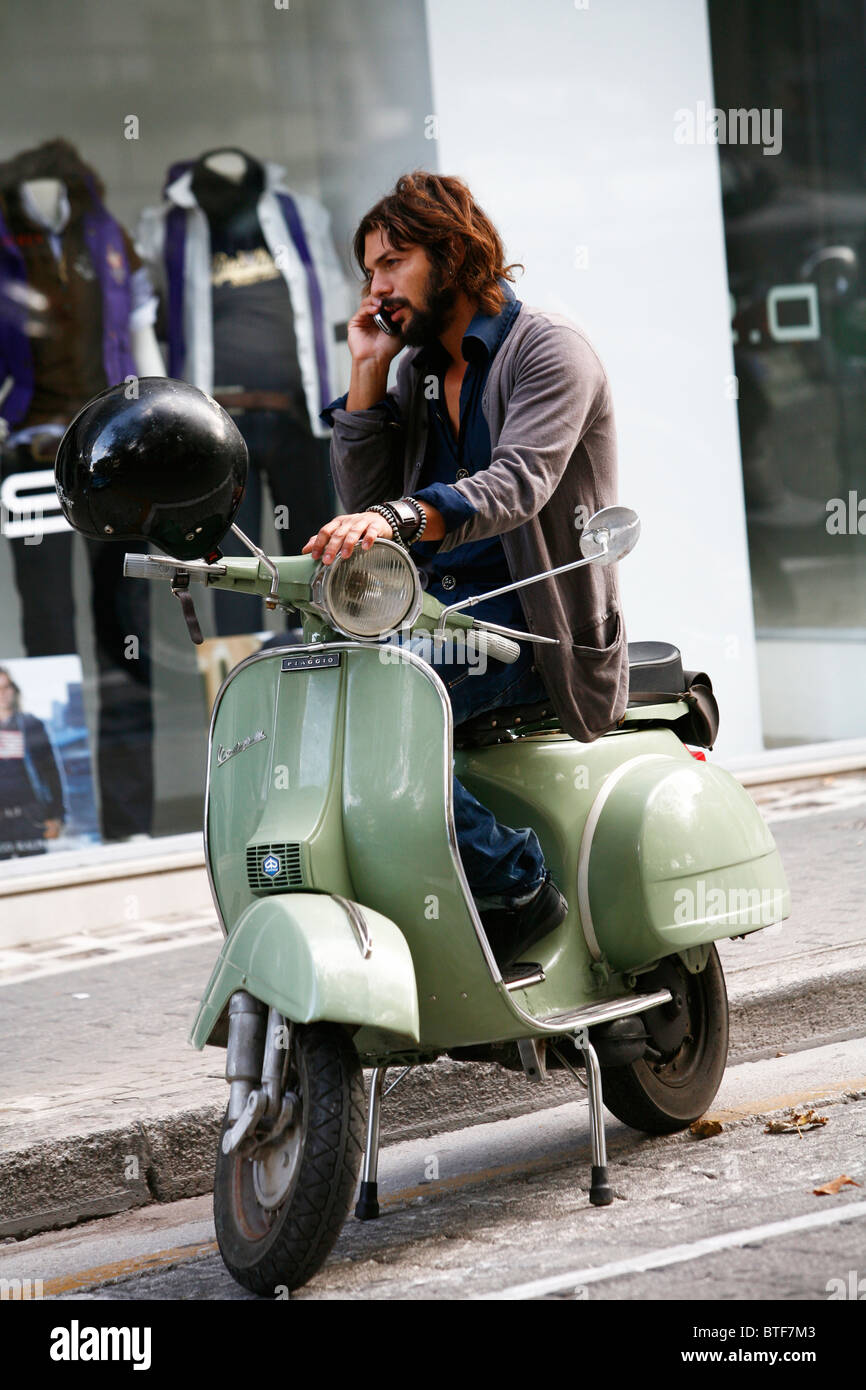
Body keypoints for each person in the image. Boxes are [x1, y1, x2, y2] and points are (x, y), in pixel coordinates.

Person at [304, 171, 628, 969]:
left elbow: (518, 484)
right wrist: (369, 374)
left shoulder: (549, 348)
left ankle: (518, 885)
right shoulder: (414, 373)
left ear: (450, 254)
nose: (376, 287)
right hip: (432, 620)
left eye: (391, 263)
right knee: (309, 686)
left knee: (383, 708)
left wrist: (399, 516)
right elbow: (372, 506)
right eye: (368, 272)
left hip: (527, 627)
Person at [0, 666, 65, 859]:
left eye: (6, 687)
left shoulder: (31, 725)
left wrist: (57, 816)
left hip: (30, 817)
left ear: (14, 690)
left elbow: (50, 772)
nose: (2, 694)